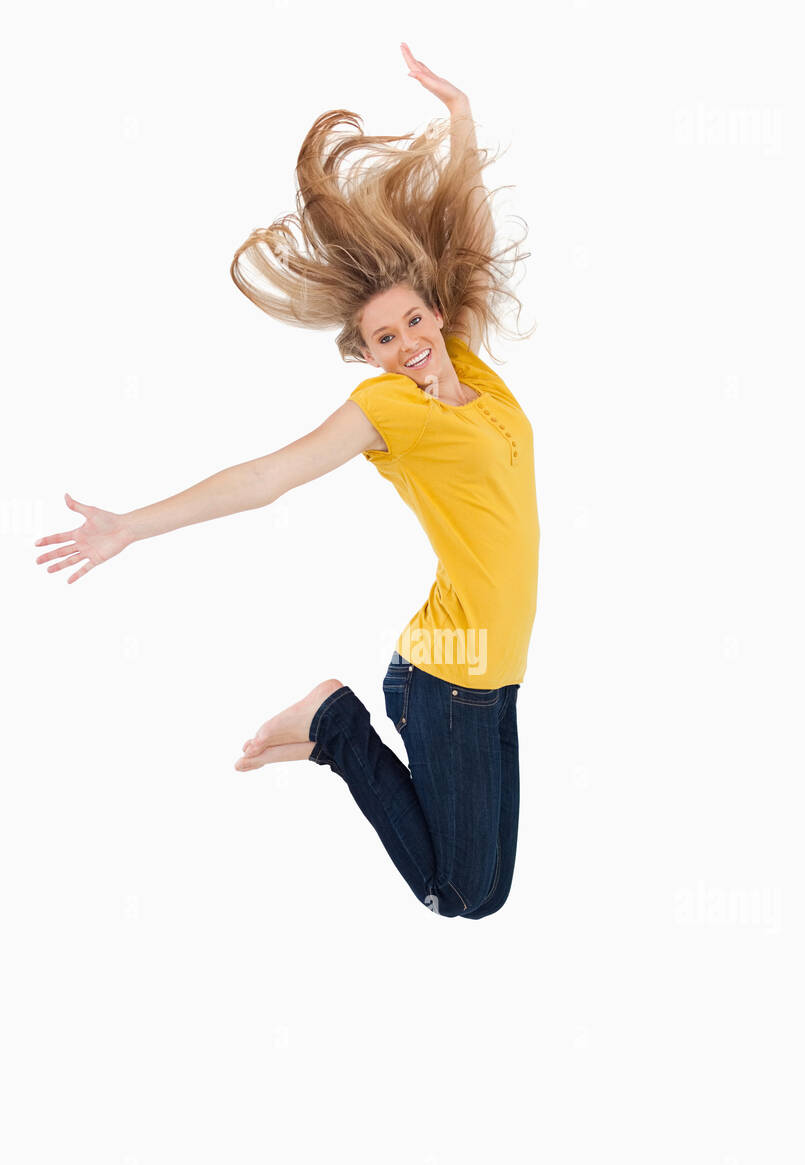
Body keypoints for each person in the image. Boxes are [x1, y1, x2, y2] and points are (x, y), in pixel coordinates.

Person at [33, 44, 539, 919]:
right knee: (458, 892)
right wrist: (129, 526)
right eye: (385, 337)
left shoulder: (473, 374)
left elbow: (468, 237)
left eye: (415, 320)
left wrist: (459, 122)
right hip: (444, 673)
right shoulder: (392, 407)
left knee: (484, 894)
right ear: (368, 353)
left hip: (492, 674)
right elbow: (266, 477)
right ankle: (336, 725)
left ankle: (336, 731)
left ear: (436, 313)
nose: (409, 343)